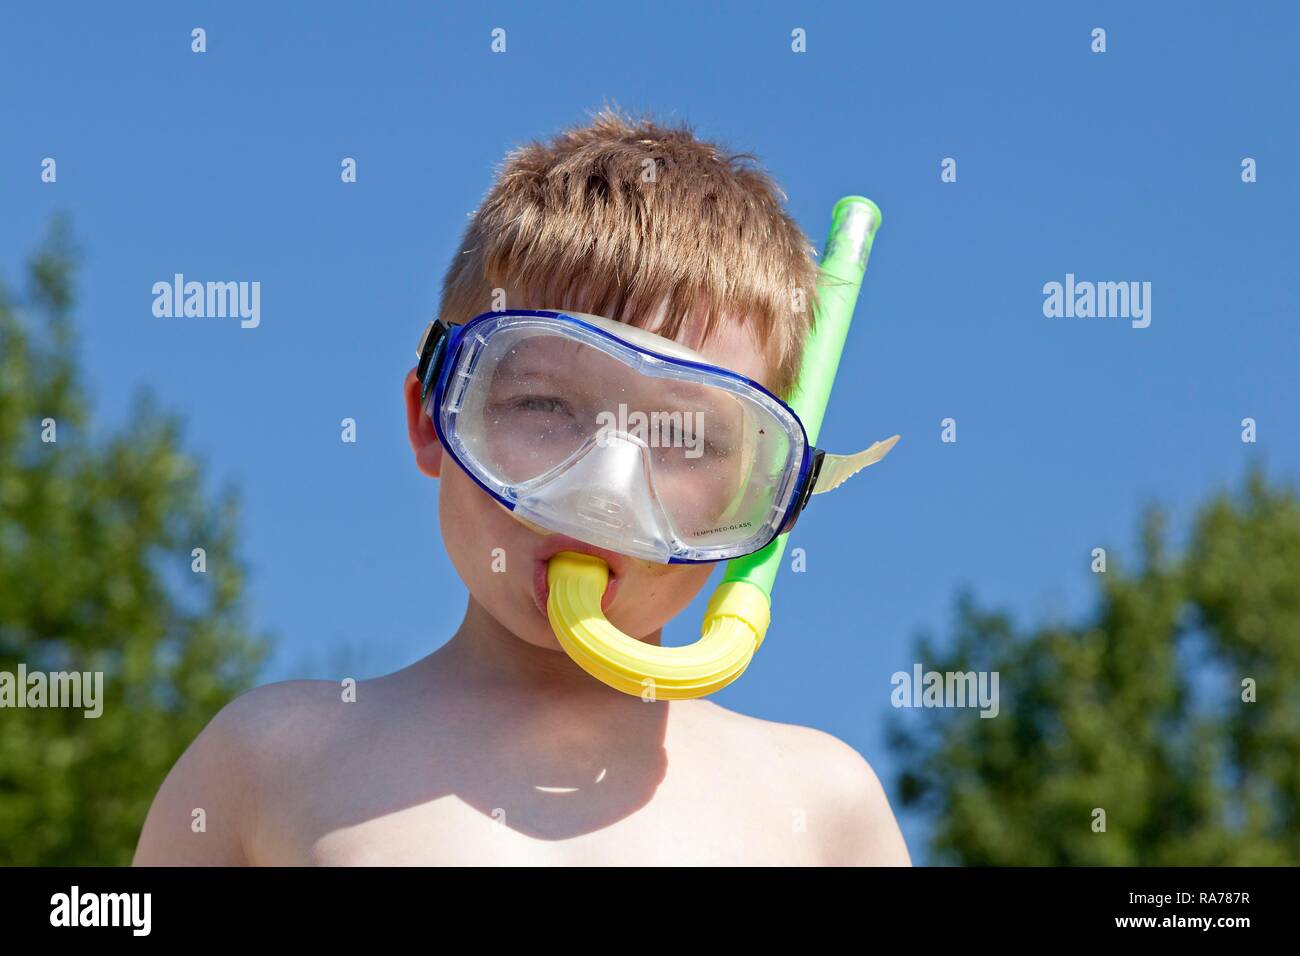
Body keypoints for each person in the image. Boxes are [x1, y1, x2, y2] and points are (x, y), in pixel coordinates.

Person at [133, 108, 911, 866]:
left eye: (684, 437)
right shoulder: (272, 760)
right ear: (434, 417)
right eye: (544, 405)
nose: (602, 493)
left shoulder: (822, 807)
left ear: (767, 501)